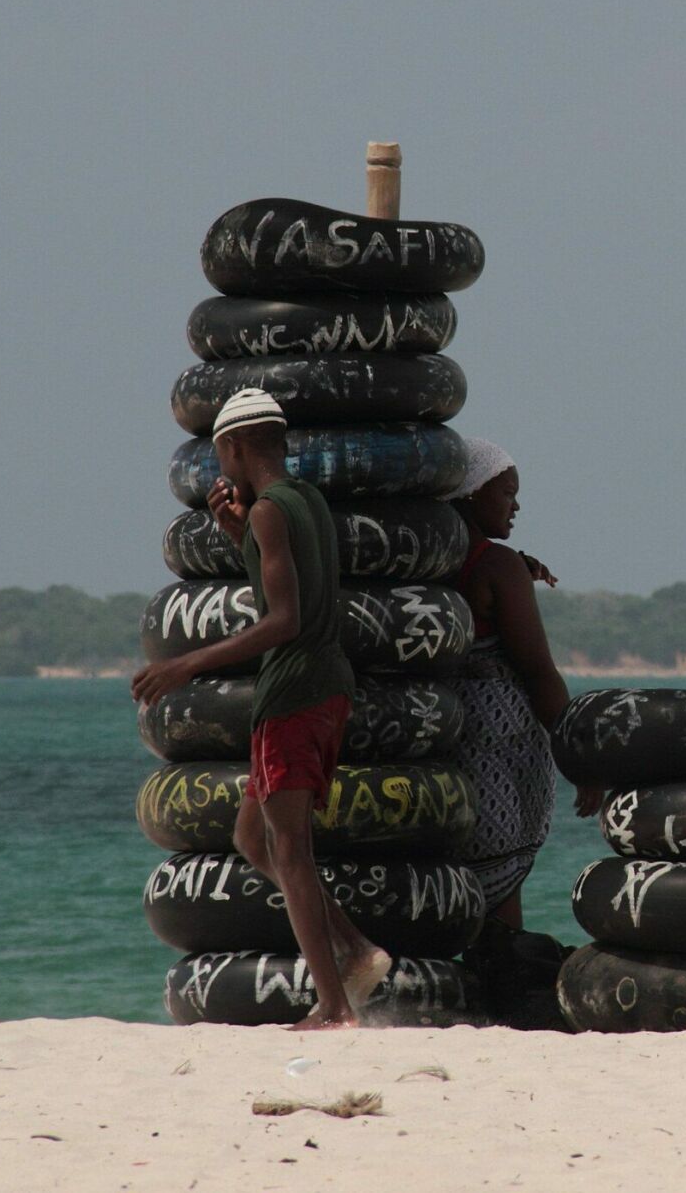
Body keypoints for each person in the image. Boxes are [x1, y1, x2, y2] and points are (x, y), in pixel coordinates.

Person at [132, 388, 390, 1031]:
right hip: (327, 685)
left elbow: (283, 619)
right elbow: (287, 580)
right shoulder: (304, 502)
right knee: (253, 837)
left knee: (290, 848)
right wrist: (237, 534)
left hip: (294, 690)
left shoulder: (274, 510)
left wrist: (184, 664)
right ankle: (356, 951)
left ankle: (334, 1007)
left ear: (233, 446)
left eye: (219, 454)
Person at [442, 439, 599, 941]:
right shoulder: (495, 565)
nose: (516, 505)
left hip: (443, 739)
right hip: (496, 747)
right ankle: (501, 982)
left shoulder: (427, 566)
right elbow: (538, 672)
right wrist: (582, 761)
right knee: (500, 874)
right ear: (468, 495)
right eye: (506, 493)